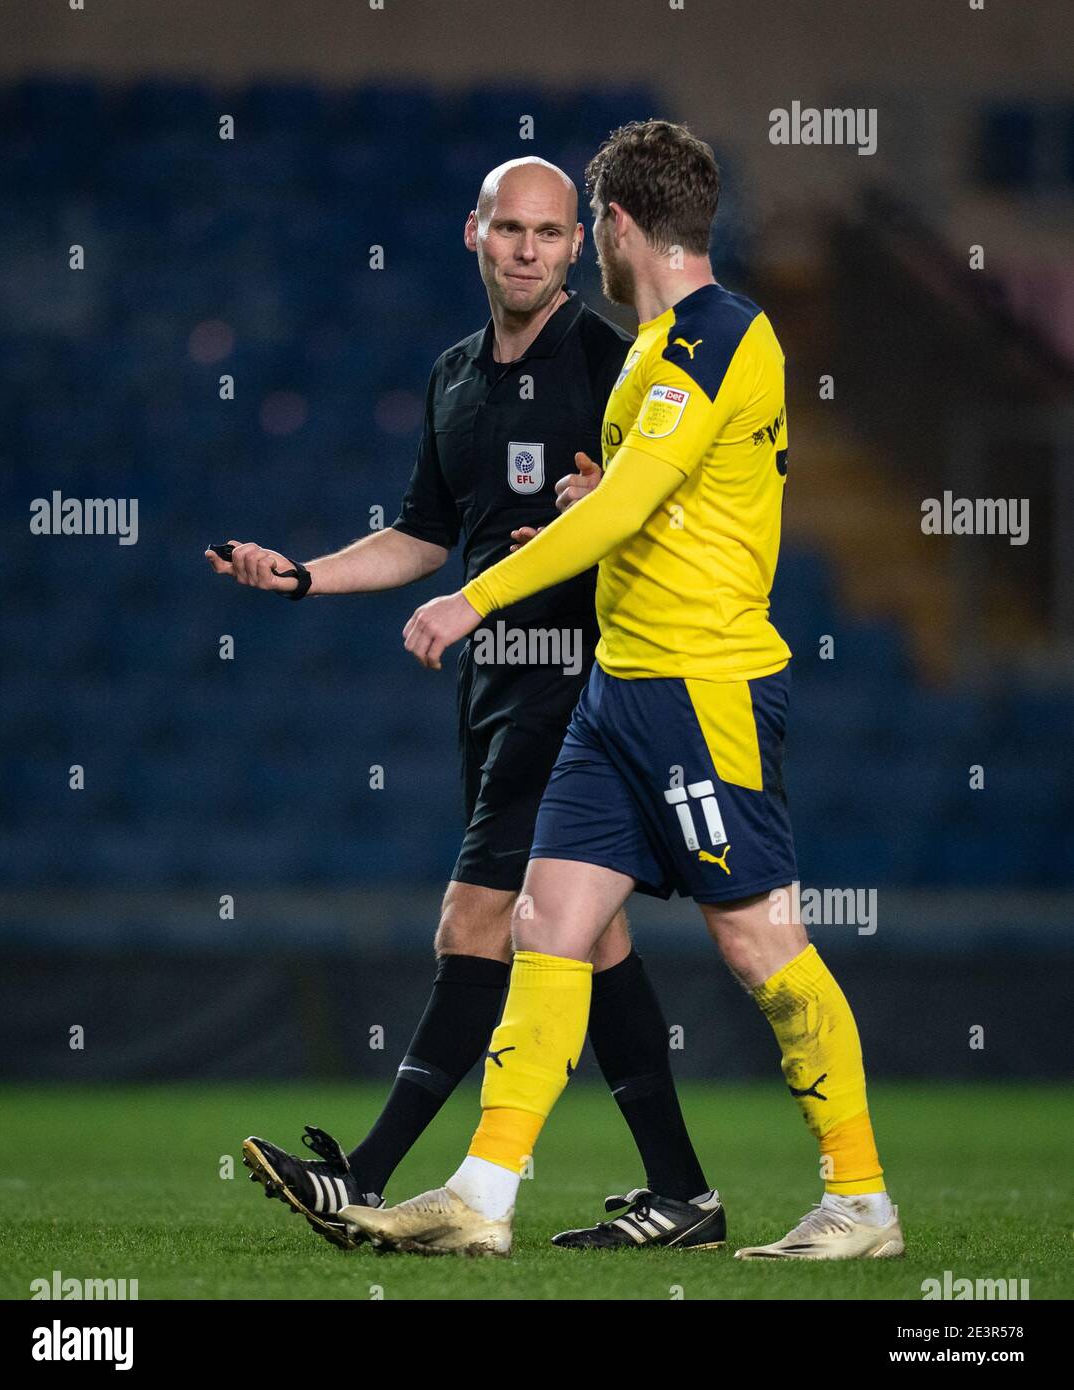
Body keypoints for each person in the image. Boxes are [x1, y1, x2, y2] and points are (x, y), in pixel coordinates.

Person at [338, 121, 904, 1260]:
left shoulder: (721, 336)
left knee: (760, 948)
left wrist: (475, 595)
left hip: (704, 687)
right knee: (548, 926)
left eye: (583, 223)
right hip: (617, 692)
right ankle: (484, 1192)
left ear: (618, 225)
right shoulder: (651, 350)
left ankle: (862, 1198)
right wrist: (598, 492)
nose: (577, 243)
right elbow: (638, 495)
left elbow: (631, 506)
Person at [206, 155, 723, 1253]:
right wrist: (304, 575)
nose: (529, 249)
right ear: (474, 235)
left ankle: (365, 1173)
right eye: (510, 230)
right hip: (494, 691)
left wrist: (606, 502)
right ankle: (684, 1191)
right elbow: (423, 537)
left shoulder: (618, 364)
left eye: (549, 231)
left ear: (578, 245)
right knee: (590, 941)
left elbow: (673, 505)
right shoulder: (452, 377)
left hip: (582, 691)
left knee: (476, 921)